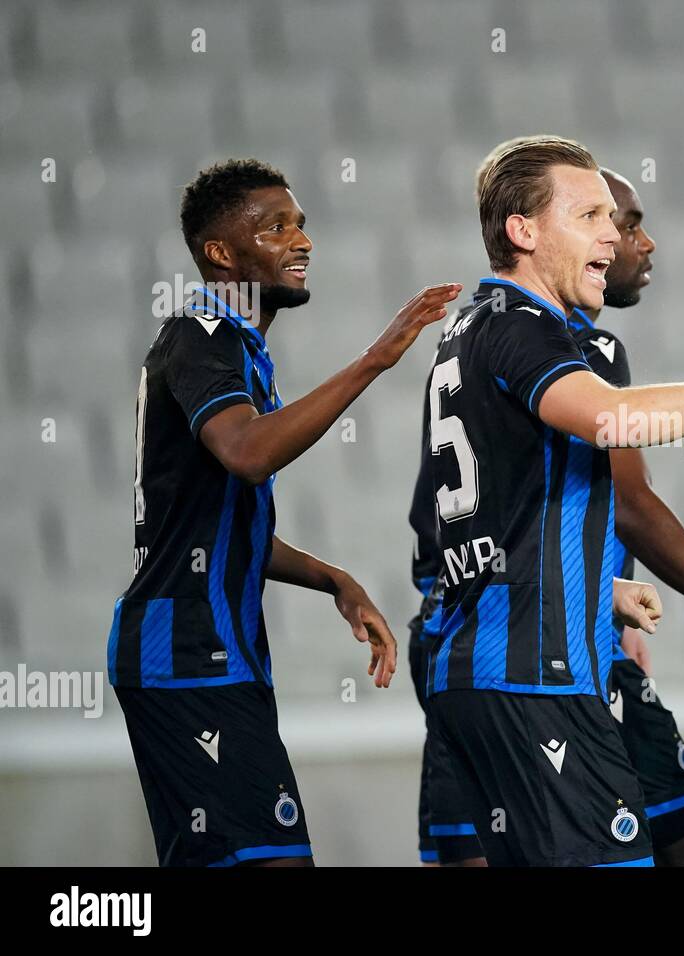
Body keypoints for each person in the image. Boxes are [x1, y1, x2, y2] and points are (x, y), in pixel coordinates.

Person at [414, 135, 684, 867]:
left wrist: (594, 586)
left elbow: (500, 515)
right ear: (524, 230)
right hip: (526, 669)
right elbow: (613, 420)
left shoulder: (475, 330)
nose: (616, 236)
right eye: (593, 216)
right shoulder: (521, 327)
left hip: (508, 656)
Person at [108, 158, 460, 867]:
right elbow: (246, 453)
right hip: (183, 653)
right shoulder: (201, 332)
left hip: (214, 649)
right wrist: (374, 360)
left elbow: (215, 525)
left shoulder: (239, 349)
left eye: (301, 224)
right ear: (220, 254)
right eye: (275, 227)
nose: (301, 241)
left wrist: (333, 578)